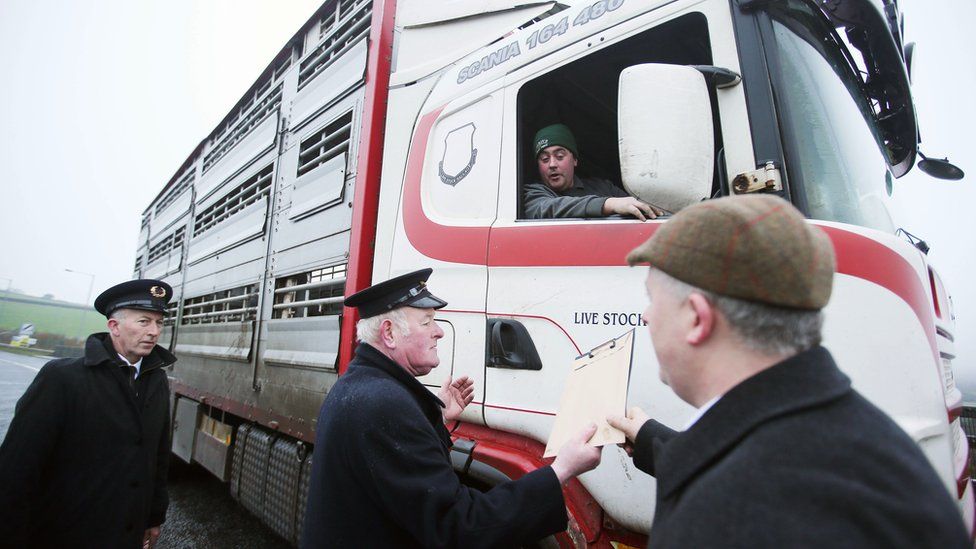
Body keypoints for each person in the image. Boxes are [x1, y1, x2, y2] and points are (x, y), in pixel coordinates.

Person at [606, 195, 969, 548]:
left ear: (697, 318)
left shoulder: (725, 515)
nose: (646, 316)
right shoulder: (856, 440)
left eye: (653, 300)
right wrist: (652, 441)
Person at [301, 268, 602, 548]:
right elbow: (458, 525)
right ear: (389, 334)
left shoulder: (361, 385)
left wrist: (438, 419)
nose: (440, 332)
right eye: (427, 321)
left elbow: (400, 481)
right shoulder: (383, 404)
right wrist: (561, 470)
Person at [0, 279, 176, 549]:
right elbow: (17, 469)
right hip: (67, 534)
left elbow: (158, 457)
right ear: (114, 326)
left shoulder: (157, 382)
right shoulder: (62, 378)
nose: (154, 331)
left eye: (159, 323)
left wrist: (154, 517)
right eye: (144, 322)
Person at [523, 123, 662, 220]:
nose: (552, 164)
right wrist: (609, 204)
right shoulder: (534, 194)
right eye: (545, 159)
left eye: (560, 156)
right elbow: (548, 208)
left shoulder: (603, 187)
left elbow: (639, 206)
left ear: (575, 160)